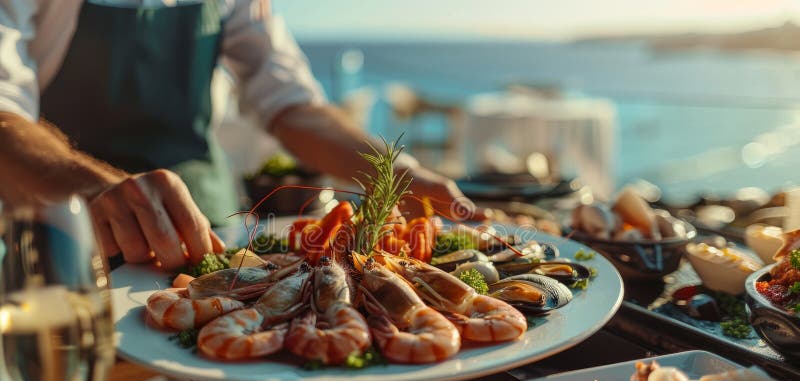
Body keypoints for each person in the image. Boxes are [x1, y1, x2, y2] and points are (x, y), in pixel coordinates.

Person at [0, 0, 482, 270]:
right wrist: (98, 189)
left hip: (210, 232)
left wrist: (396, 174)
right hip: (64, 242)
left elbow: (291, 104)